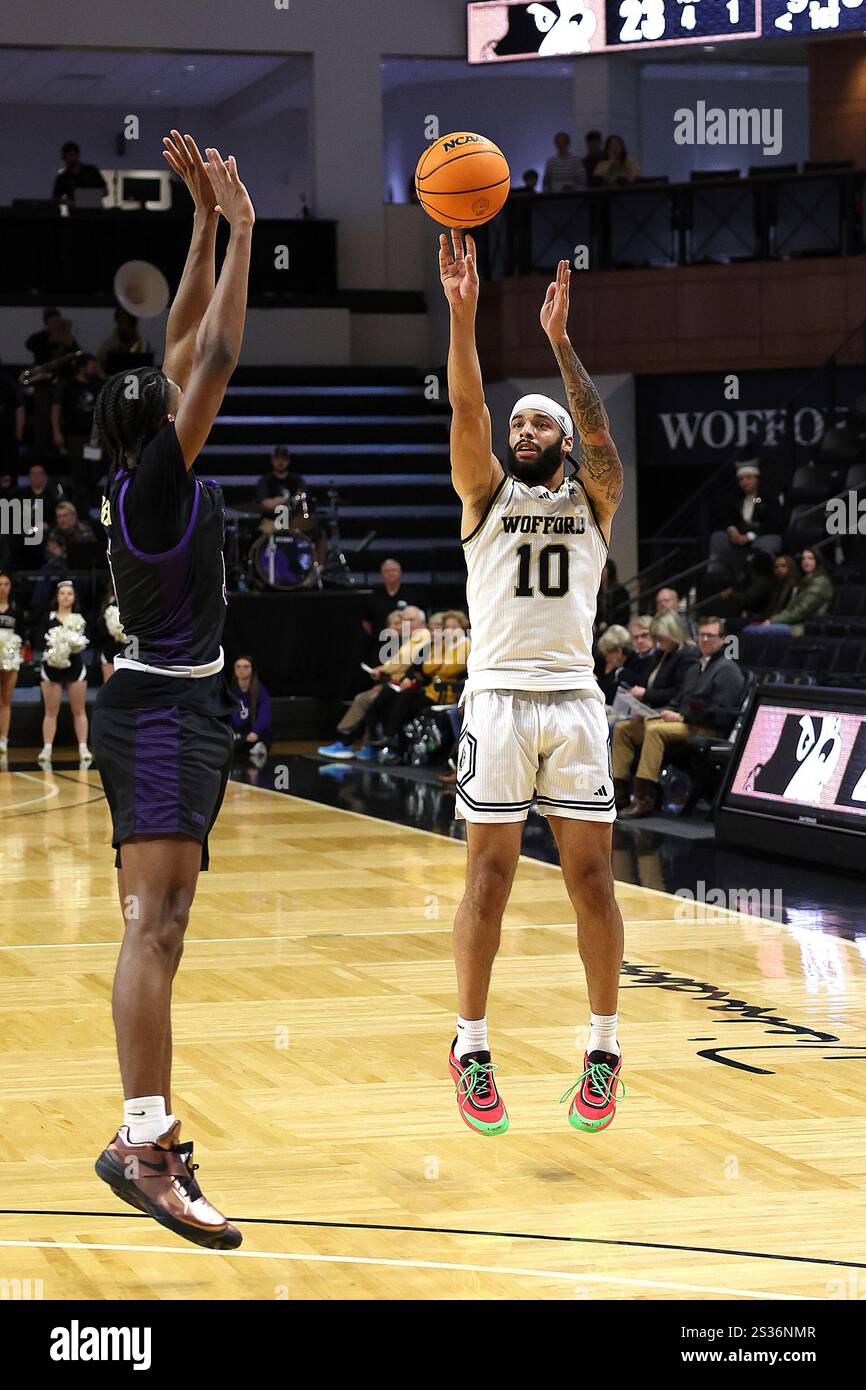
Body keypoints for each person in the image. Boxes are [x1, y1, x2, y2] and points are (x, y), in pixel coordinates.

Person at [89, 131, 254, 1251]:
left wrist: (196, 222)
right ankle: (144, 1144)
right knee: (154, 928)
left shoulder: (143, 473)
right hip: (158, 711)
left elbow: (183, 337)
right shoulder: (157, 481)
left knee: (166, 924)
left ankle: (143, 1132)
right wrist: (245, 229)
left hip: (173, 706)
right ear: (154, 426)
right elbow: (218, 354)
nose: (178, 377)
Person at [441, 232, 625, 1136]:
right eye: (519, 424)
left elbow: (599, 432)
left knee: (592, 882)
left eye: (537, 422)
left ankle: (603, 1049)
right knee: (490, 875)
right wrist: (464, 313)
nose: (523, 431)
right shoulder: (483, 496)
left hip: (576, 704)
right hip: (501, 700)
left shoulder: (594, 498)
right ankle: (471, 1044)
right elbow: (468, 406)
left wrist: (560, 345)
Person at [612, 616, 745, 818]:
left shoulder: (728, 669)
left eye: (711, 635)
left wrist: (682, 717)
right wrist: (656, 713)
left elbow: (721, 714)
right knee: (624, 728)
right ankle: (619, 795)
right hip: (683, 722)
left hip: (706, 728)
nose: (705, 639)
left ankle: (644, 799)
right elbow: (678, 700)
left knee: (655, 731)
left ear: (723, 639)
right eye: (702, 635)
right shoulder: (696, 668)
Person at [373, 612, 471, 764]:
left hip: (447, 693)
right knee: (400, 699)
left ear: (463, 628)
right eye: (447, 628)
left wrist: (439, 664)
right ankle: (395, 744)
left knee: (404, 702)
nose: (450, 631)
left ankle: (393, 741)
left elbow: (449, 670)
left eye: (454, 627)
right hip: (432, 690)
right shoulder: (444, 645)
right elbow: (427, 667)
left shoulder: (466, 645)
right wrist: (441, 663)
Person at [38, 579, 90, 765]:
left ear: (74, 597)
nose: (65, 596)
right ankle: (47, 748)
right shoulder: (48, 618)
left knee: (79, 710)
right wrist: (55, 651)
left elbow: (86, 641)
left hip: (75, 668)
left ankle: (83, 747)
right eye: (62, 593)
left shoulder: (79, 618)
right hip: (52, 668)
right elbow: (40, 642)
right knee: (51, 711)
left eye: (69, 593)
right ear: (57, 597)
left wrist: (73, 646)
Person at [707, 460, 782, 587]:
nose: (744, 482)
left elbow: (773, 522)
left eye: (748, 478)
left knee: (767, 543)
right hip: (739, 536)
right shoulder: (735, 499)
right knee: (718, 537)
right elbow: (728, 519)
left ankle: (760, 576)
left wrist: (751, 536)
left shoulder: (765, 498)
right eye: (741, 479)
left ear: (757, 479)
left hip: (761, 535)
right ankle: (718, 570)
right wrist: (732, 530)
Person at [742, 547, 833, 639]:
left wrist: (772, 621)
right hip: (794, 623)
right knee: (749, 627)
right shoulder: (806, 581)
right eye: (803, 558)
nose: (806, 561)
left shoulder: (819, 583)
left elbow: (801, 611)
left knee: (750, 630)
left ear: (817, 561)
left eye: (810, 558)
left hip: (803, 627)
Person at [51, 353, 105, 506]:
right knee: (78, 470)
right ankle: (79, 503)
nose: (95, 370)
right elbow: (56, 408)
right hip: (75, 435)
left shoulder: (97, 385)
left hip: (94, 437)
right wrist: (56, 431)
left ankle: (93, 500)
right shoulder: (68, 386)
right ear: (81, 368)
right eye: (92, 367)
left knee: (94, 469)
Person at [228, 654, 272, 763]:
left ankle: (258, 747)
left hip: (254, 733)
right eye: (238, 666)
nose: (241, 669)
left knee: (263, 737)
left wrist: (255, 732)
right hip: (238, 733)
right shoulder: (231, 691)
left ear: (252, 669)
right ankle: (251, 749)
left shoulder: (260, 691)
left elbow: (264, 714)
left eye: (246, 666)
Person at [0, 571, 24, 756]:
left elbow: (22, 636)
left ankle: (4, 740)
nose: (3, 587)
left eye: (6, 584)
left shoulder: (16, 610)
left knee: (6, 700)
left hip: (9, 659)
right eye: (0, 584)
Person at [254, 445, 304, 523]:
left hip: (294, 522)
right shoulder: (264, 481)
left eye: (284, 459)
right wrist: (288, 500)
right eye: (277, 458)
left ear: (288, 461)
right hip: (270, 522)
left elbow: (302, 503)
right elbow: (266, 504)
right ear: (272, 460)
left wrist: (276, 501)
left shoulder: (297, 480)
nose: (280, 462)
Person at [96, 309, 152, 373]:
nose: (124, 325)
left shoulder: (140, 341)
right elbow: (100, 362)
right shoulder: (109, 343)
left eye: (127, 321)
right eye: (122, 321)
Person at [93, 584, 127, 684]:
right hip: (110, 650)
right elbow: (99, 630)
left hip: (131, 649)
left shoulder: (134, 601)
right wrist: (115, 631)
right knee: (111, 687)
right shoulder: (107, 602)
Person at [595, 623, 632, 705]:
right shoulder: (601, 661)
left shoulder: (630, 666)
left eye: (609, 654)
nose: (607, 658)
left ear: (619, 651)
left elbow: (612, 696)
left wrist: (596, 682)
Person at [595, 556, 630, 633]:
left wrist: (608, 624)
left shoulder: (620, 591)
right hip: (600, 630)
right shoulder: (598, 590)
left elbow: (623, 613)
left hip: (616, 629)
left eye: (603, 569)